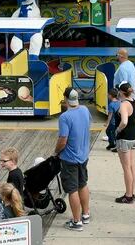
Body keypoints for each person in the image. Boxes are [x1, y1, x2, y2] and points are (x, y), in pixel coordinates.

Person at [54, 89, 92, 231]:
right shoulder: (84, 110)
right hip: (83, 155)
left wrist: (56, 152)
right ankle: (86, 214)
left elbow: (63, 139)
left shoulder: (65, 117)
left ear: (65, 98)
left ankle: (76, 222)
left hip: (70, 158)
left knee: (72, 189)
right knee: (83, 184)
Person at [113, 49, 135, 143]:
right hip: (129, 95)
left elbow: (124, 83)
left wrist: (118, 94)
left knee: (126, 116)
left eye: (116, 54)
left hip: (124, 96)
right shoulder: (130, 64)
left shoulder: (122, 68)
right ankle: (113, 134)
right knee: (130, 116)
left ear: (121, 56)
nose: (116, 56)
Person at [114, 82, 135, 204]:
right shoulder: (134, 102)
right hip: (134, 136)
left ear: (120, 92)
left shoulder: (124, 105)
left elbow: (124, 121)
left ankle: (128, 195)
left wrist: (117, 130)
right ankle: (132, 192)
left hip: (124, 138)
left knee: (126, 168)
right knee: (132, 165)